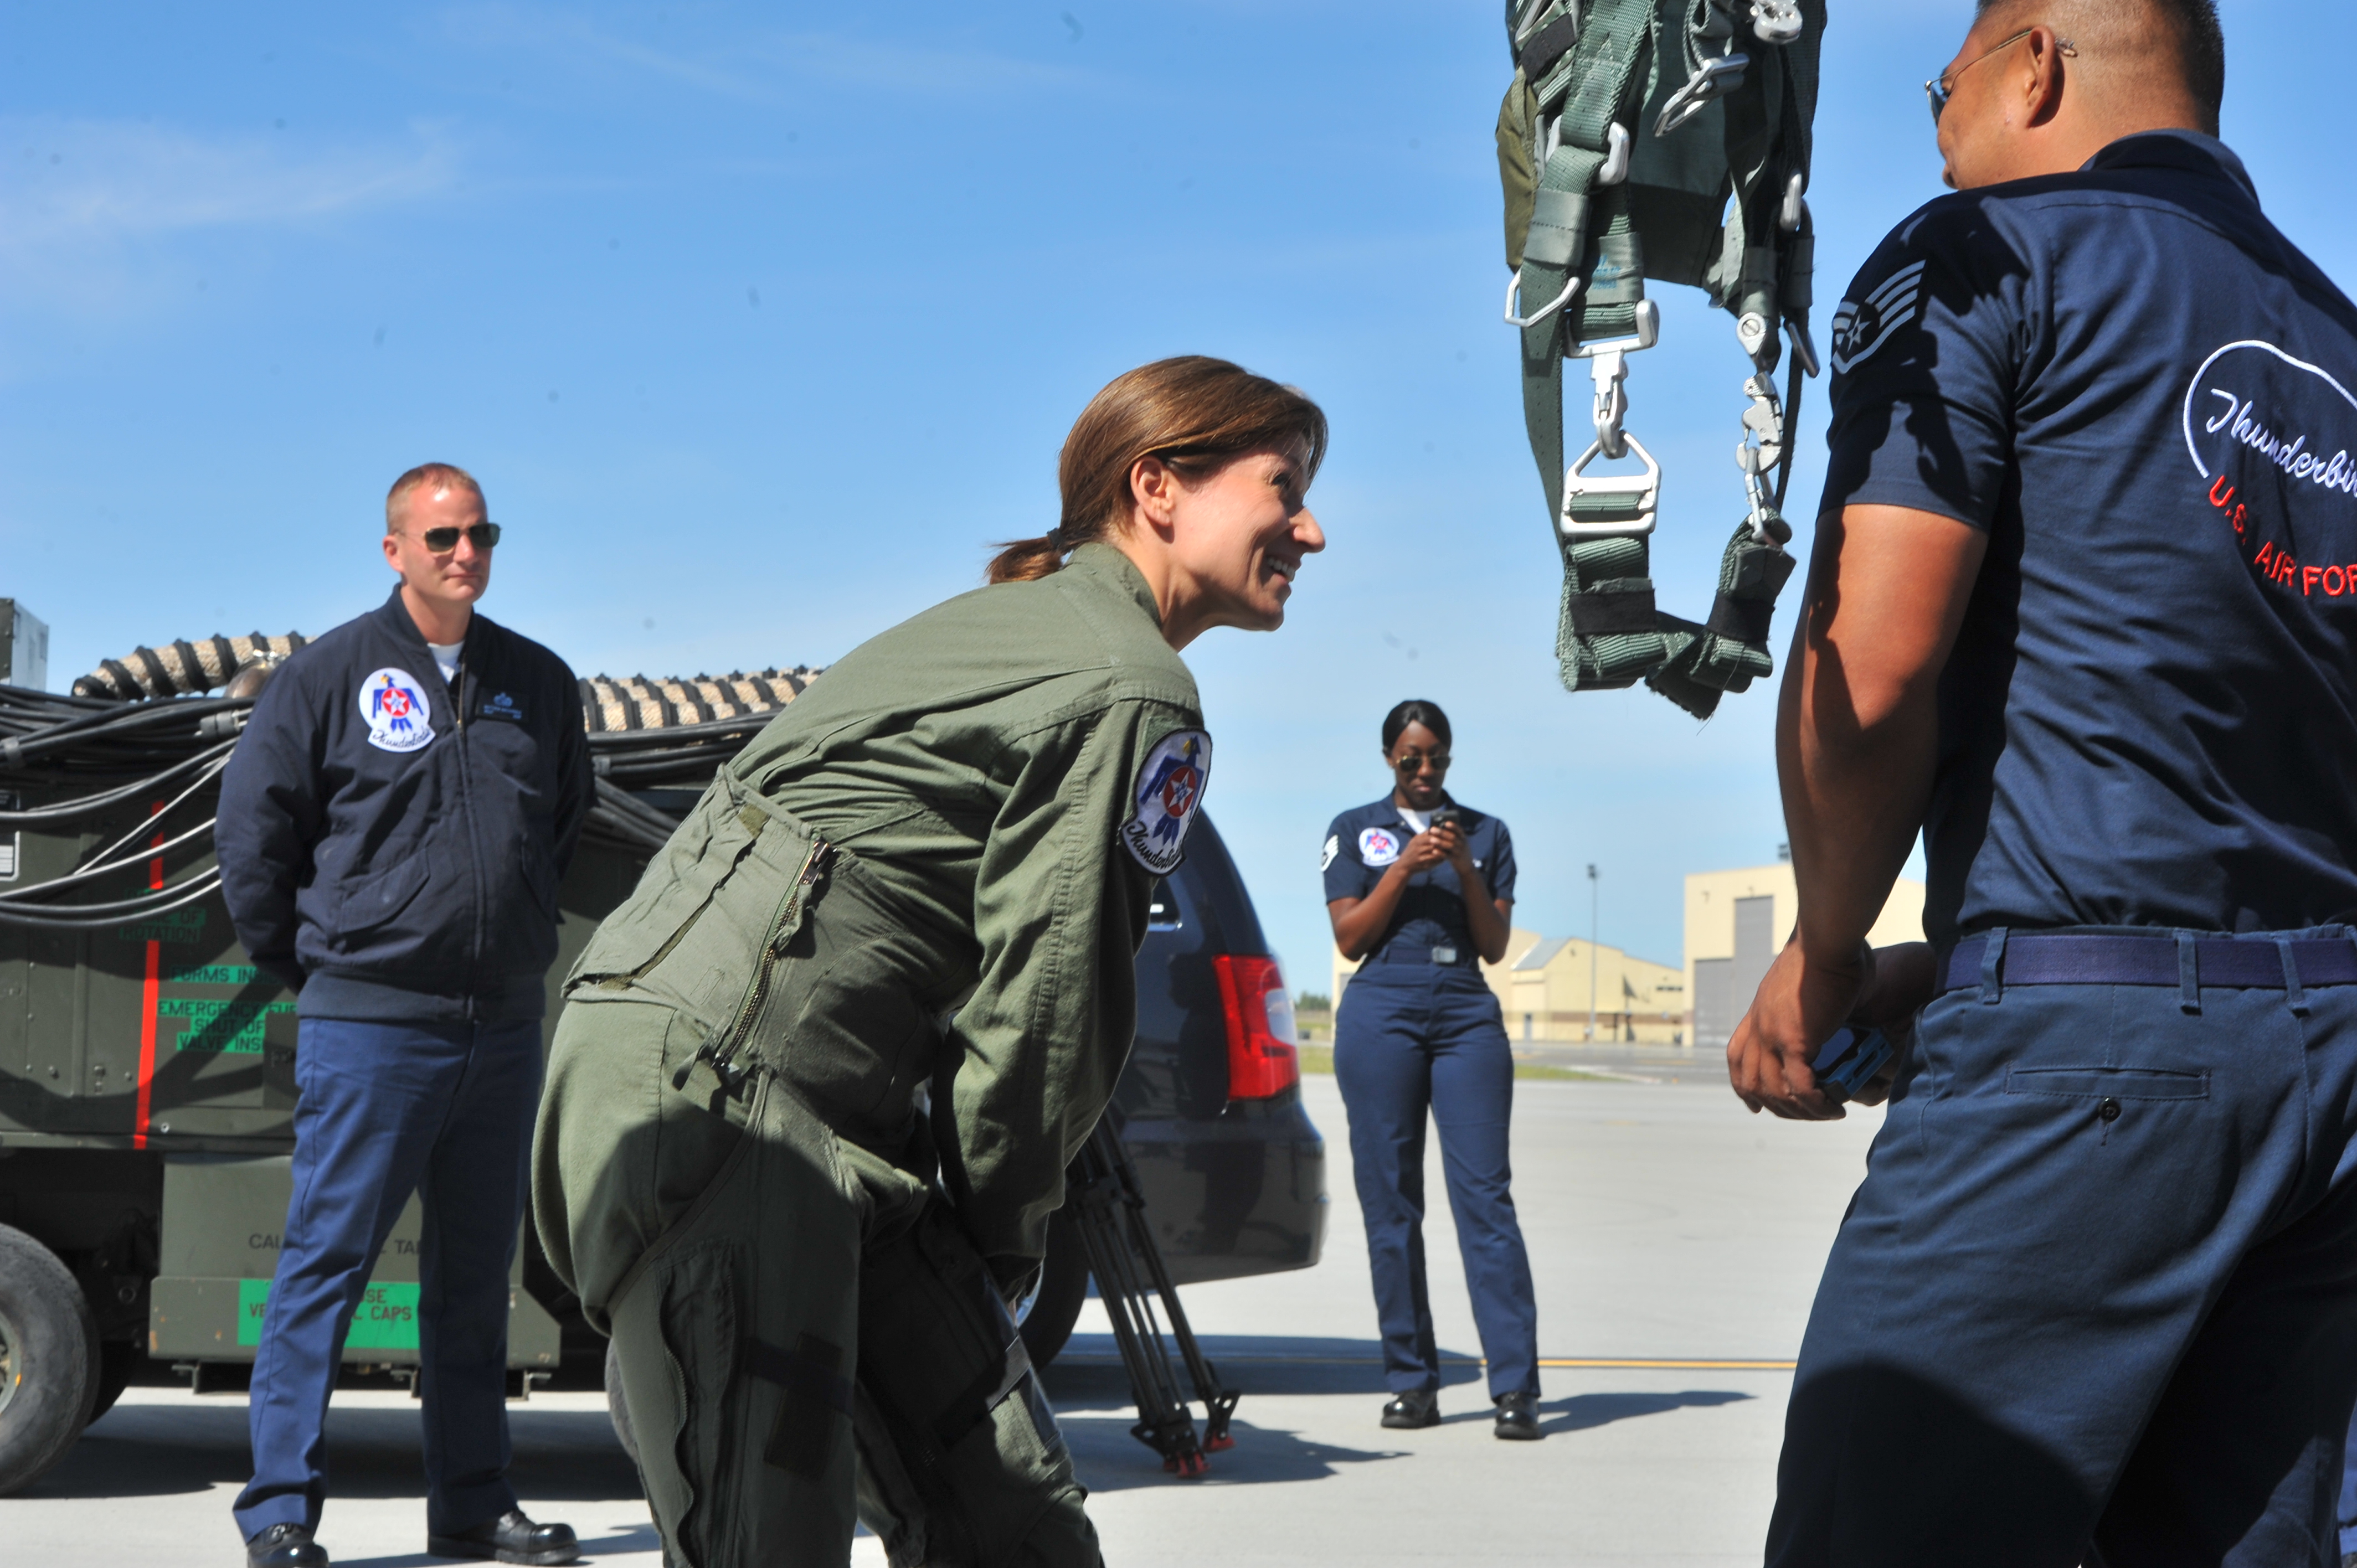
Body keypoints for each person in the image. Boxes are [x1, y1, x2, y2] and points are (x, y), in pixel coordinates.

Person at [1726, 1, 2357, 1561]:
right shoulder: (2335, 341)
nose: (1937, 127)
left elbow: (1869, 669)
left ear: (2036, 66)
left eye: (1945, 88)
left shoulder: (1984, 256)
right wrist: (1942, 962)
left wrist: (1819, 954)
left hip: (2084, 1086)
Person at [531, 356, 1326, 1567]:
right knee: (768, 1539)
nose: (1311, 529)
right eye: (1286, 486)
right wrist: (1000, 1243)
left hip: (819, 1116)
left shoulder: (1048, 634)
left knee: (1011, 1524)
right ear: (1158, 486)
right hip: (727, 1105)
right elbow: (1048, 1012)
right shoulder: (1127, 685)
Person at [217, 463, 592, 1568]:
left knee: (477, 1284)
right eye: (439, 538)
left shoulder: (537, 680)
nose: (462, 553)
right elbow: (253, 842)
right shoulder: (326, 678)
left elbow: (559, 828)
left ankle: (473, 1503)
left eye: (479, 534)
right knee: (323, 1270)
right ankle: (279, 1509)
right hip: (371, 1029)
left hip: (503, 1028)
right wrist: (327, 967)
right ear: (394, 551)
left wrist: (510, 926)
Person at [1322, 700, 1540, 1441]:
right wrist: (1403, 870)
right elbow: (1349, 938)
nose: (1424, 772)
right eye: (1411, 759)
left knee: (1487, 1202)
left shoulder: (1485, 833)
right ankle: (1412, 1384)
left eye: (1436, 758)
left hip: (1464, 1013)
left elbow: (1495, 944)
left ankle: (1514, 1388)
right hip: (1380, 1007)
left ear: (1449, 757)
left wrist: (1460, 869)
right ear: (1389, 757)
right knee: (1392, 1206)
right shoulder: (1354, 828)